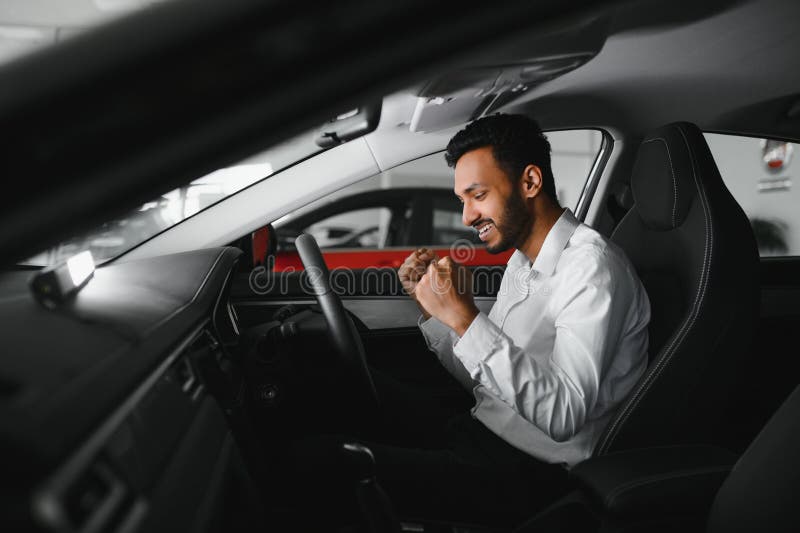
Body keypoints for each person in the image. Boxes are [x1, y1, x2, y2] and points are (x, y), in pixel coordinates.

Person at [292, 113, 650, 529]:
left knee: (318, 462)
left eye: (477, 195)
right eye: (463, 199)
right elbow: (487, 383)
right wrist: (433, 310)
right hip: (479, 430)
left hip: (527, 472)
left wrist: (464, 317)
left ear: (530, 183)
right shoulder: (523, 258)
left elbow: (562, 415)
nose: (466, 216)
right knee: (331, 382)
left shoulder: (592, 268)